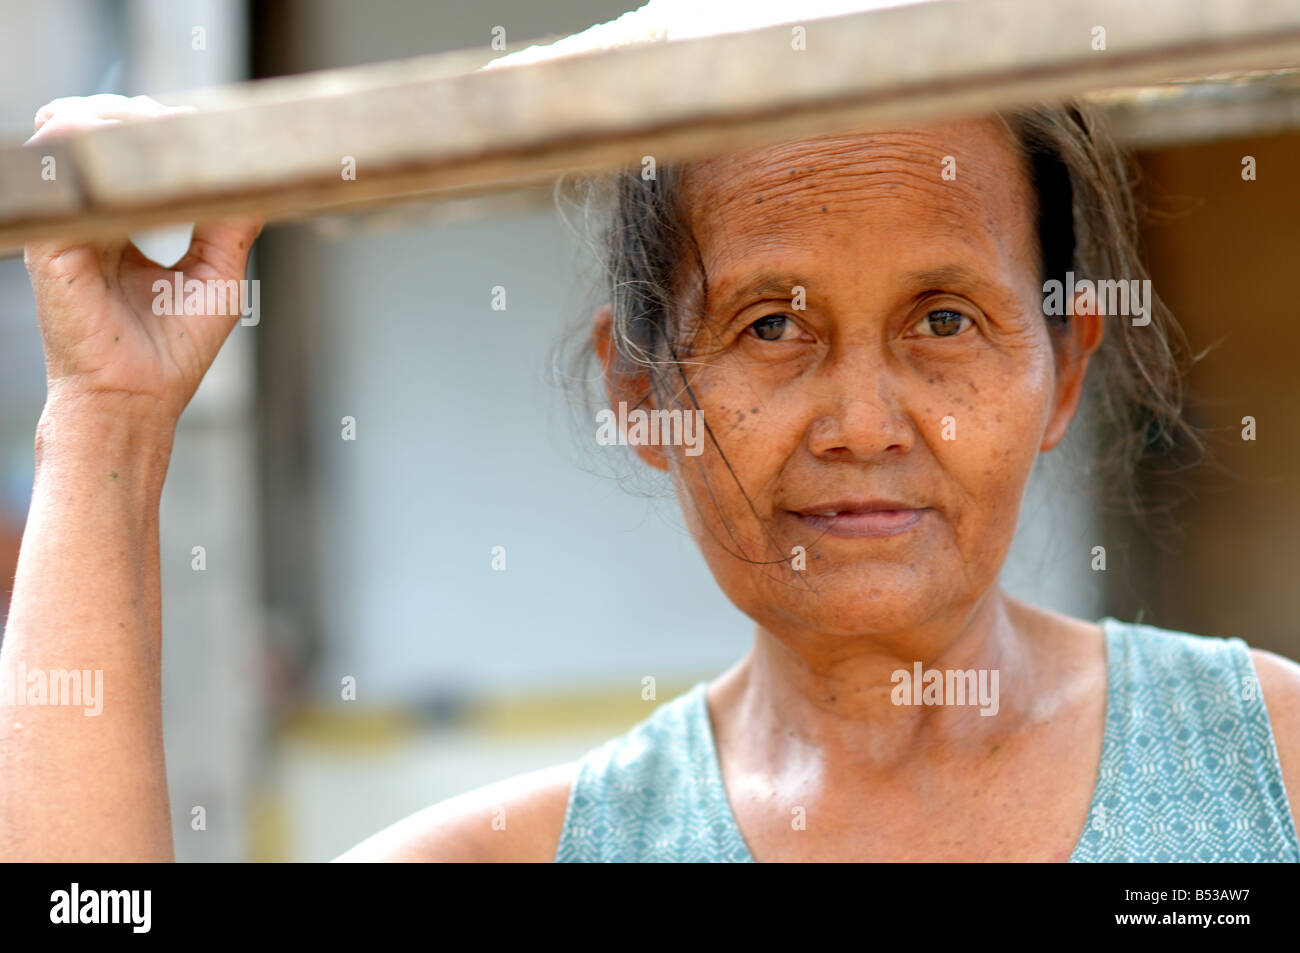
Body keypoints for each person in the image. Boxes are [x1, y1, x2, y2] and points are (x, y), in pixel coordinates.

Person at [3, 89, 1298, 863]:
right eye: (772, 326)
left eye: (945, 318)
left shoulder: (1264, 775)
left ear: (1062, 371)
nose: (860, 421)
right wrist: (108, 422)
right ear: (644, 391)